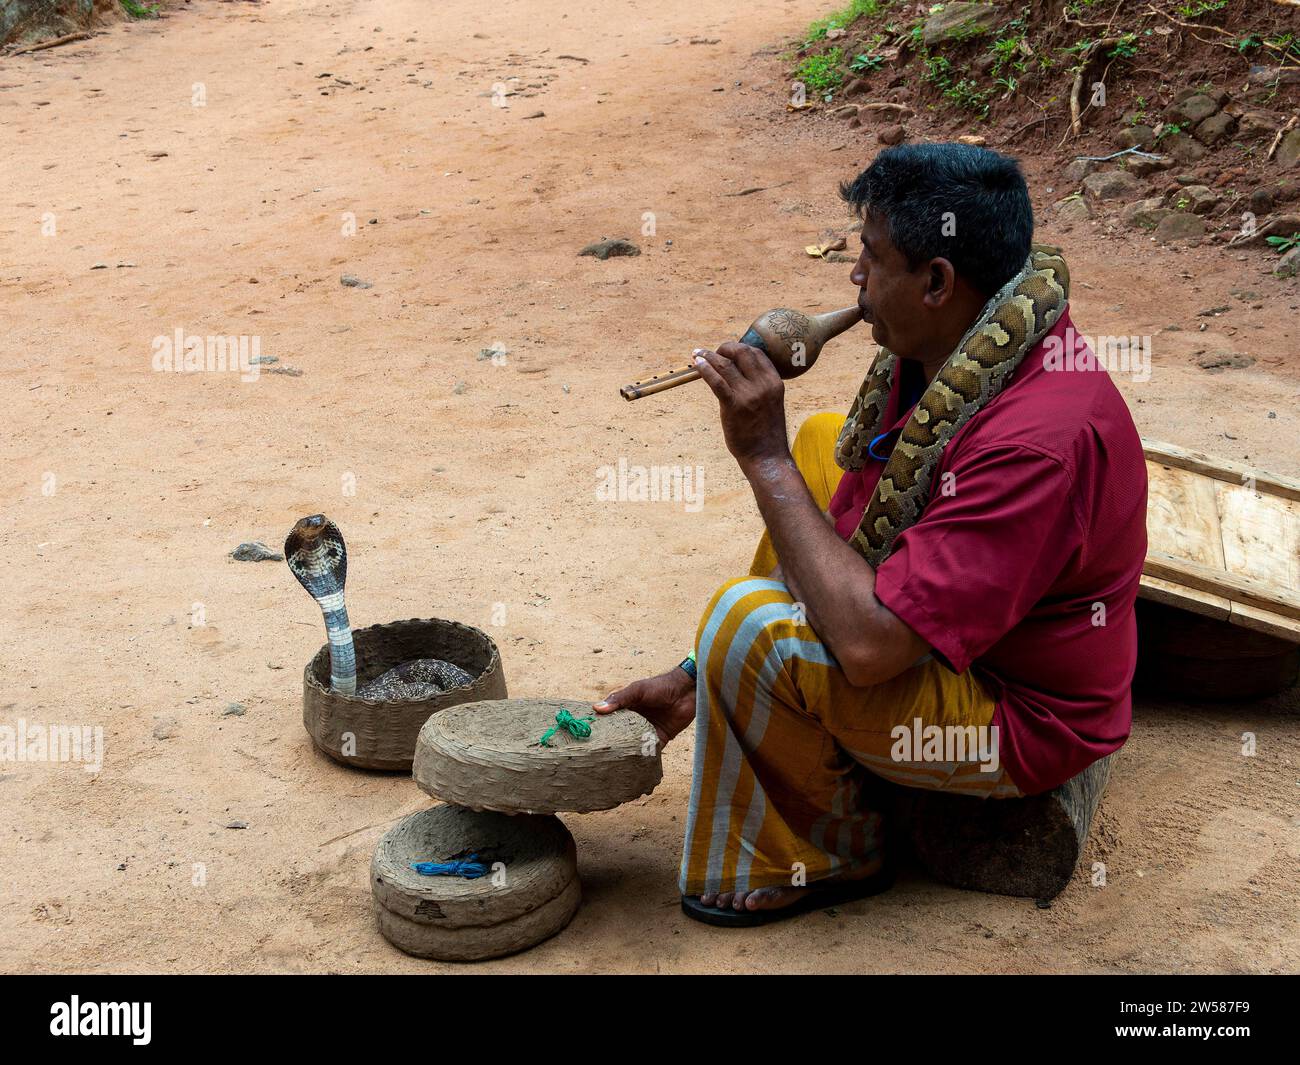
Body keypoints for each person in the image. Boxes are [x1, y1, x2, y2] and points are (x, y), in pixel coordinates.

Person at [595, 142, 1148, 926]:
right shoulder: (947, 349)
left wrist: (763, 457)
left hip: (1018, 717)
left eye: (871, 256)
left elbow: (870, 648)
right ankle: (732, 686)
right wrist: (694, 676)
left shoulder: (1036, 446)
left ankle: (829, 851)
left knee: (749, 621)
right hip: (969, 630)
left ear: (937, 283)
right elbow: (858, 523)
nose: (854, 277)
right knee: (827, 444)